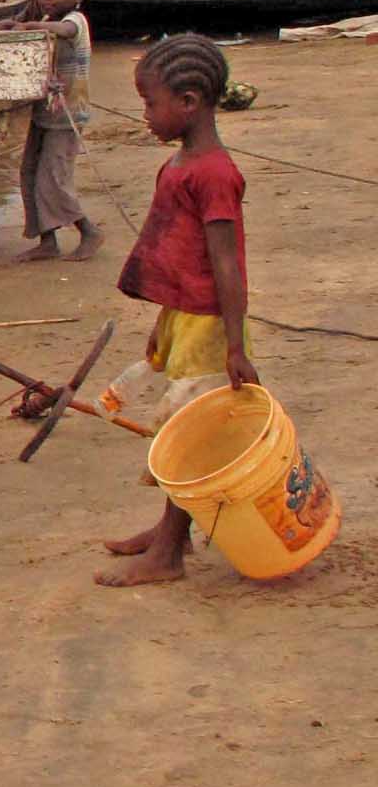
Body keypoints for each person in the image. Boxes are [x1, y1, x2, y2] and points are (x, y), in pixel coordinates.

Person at [97, 33, 258, 588]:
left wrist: (234, 346)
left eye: (150, 102)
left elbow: (226, 263)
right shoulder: (183, 162)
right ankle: (172, 533)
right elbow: (182, 258)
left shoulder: (214, 173)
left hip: (211, 326)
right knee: (182, 424)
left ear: (188, 103)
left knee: (191, 431)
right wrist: (163, 325)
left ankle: (168, 551)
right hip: (186, 317)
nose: (145, 114)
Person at [0, 0, 100, 262]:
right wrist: (5, 26)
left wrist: (28, 27)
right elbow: (20, 27)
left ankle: (88, 231)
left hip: (67, 115)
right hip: (43, 111)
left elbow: (64, 31)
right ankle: (47, 241)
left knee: (53, 178)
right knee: (28, 174)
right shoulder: (42, 18)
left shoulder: (74, 20)